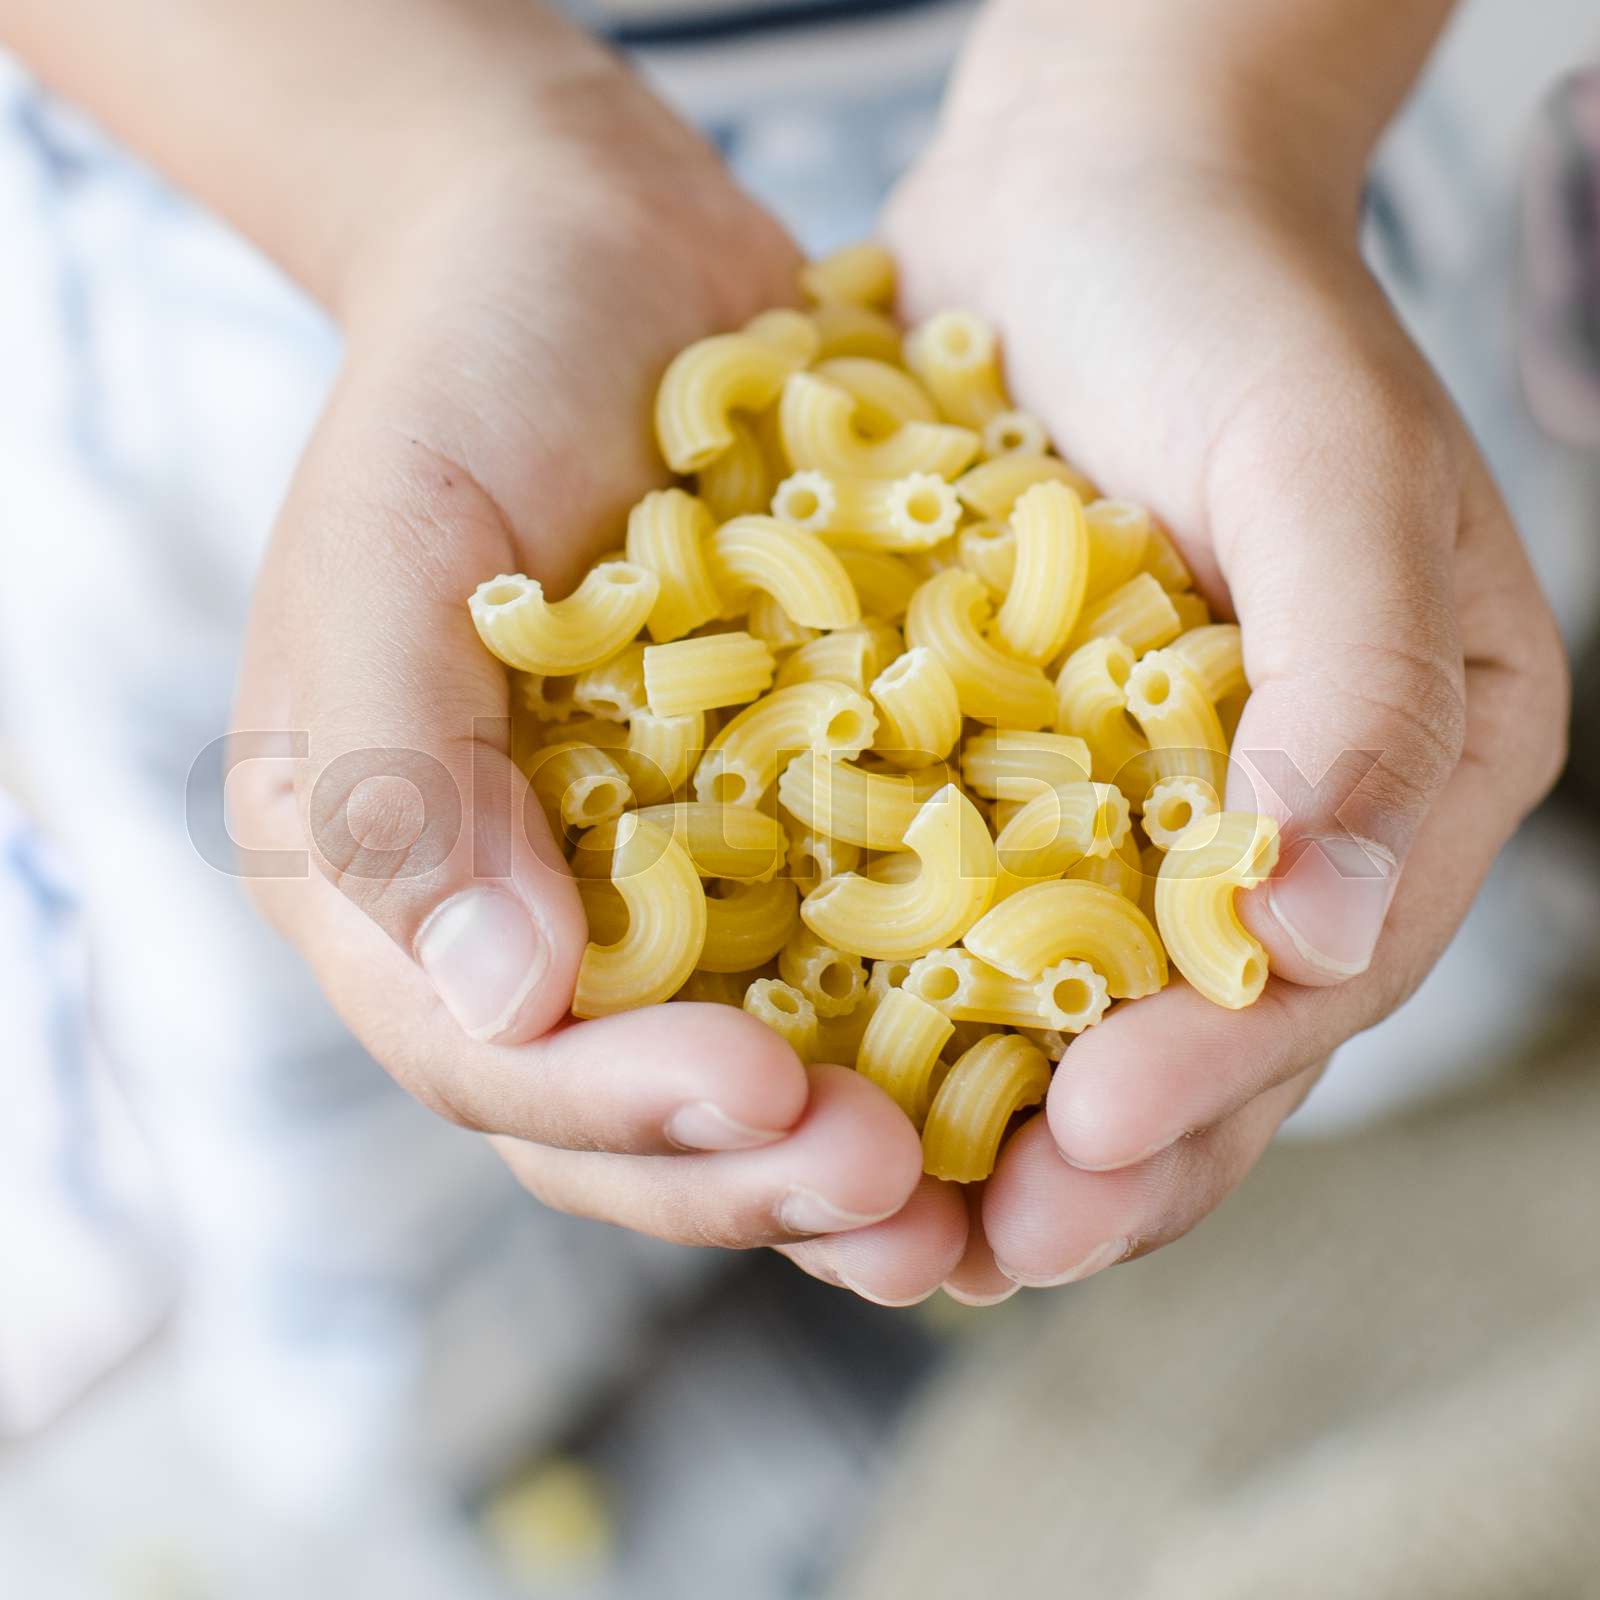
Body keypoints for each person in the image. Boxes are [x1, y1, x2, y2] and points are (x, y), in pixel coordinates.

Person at [0, 0, 1570, 1474]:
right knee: (372, 1001)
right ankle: (452, 1419)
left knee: (1309, 831)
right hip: (279, 169)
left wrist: (1187, 119)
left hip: (1210, 142)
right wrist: (438, 176)